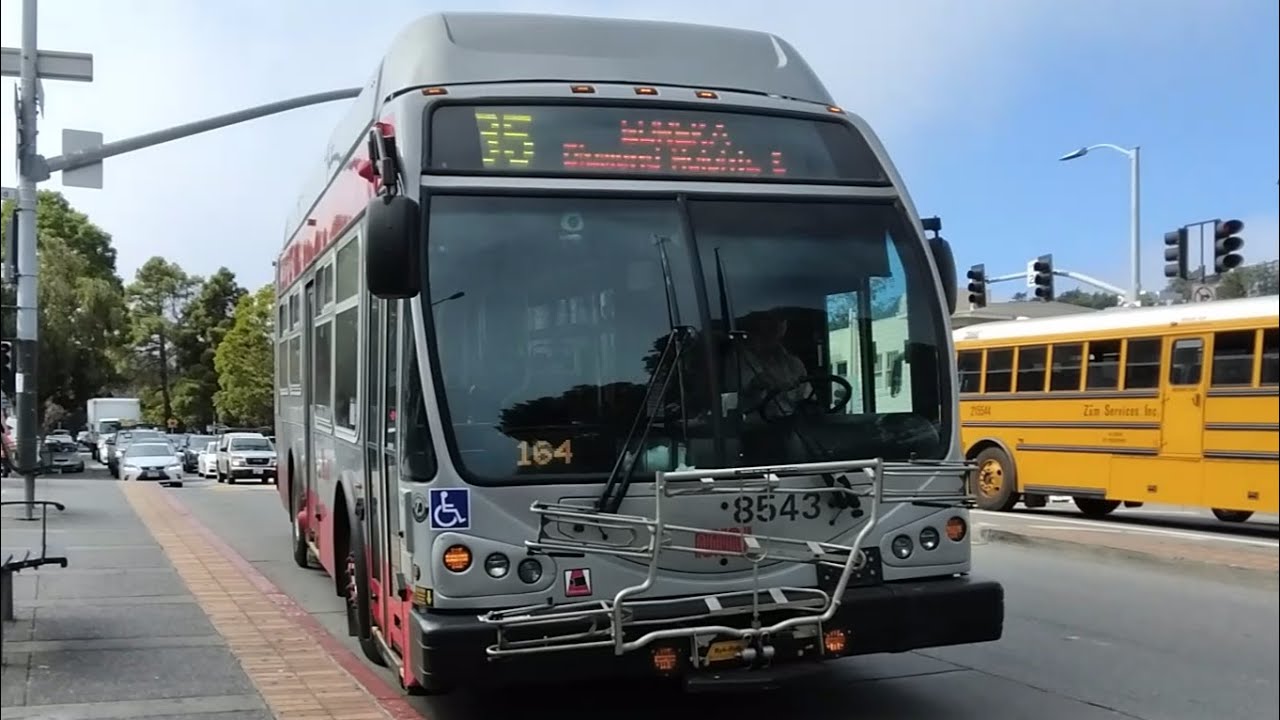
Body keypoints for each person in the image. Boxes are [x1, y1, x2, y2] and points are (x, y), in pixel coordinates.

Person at [731, 311, 810, 417]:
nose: (771, 338)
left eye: (775, 333)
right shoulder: (734, 361)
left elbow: (807, 398)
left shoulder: (794, 364)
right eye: (764, 333)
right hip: (750, 427)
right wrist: (755, 385)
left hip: (791, 426)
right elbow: (727, 396)